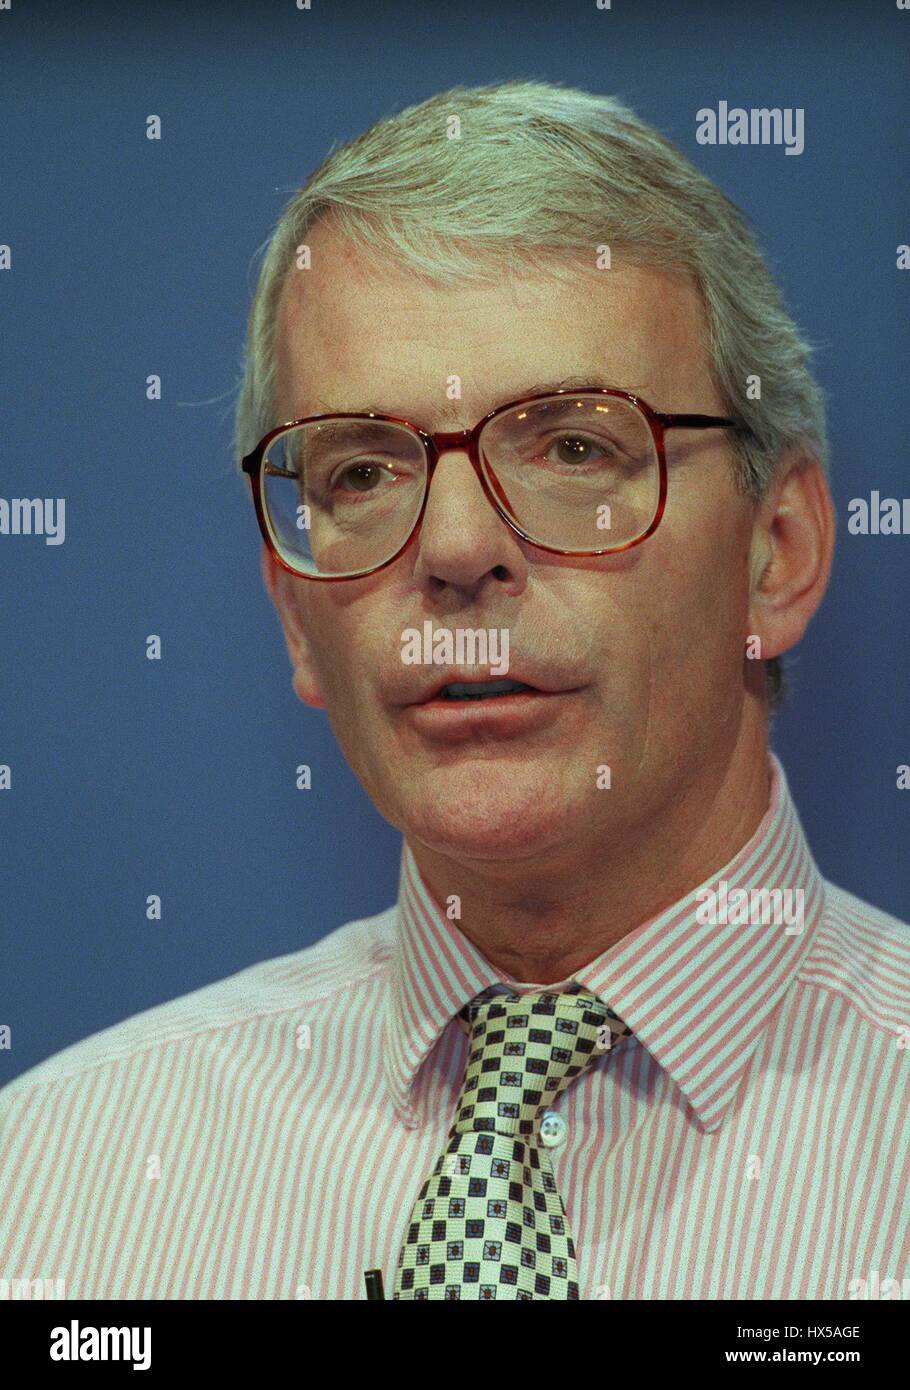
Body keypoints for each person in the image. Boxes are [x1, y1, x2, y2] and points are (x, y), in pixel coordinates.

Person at [1, 80, 907, 1301]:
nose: (455, 547)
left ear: (775, 553)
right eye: (364, 468)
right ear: (297, 616)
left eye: (575, 445)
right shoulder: (58, 1183)